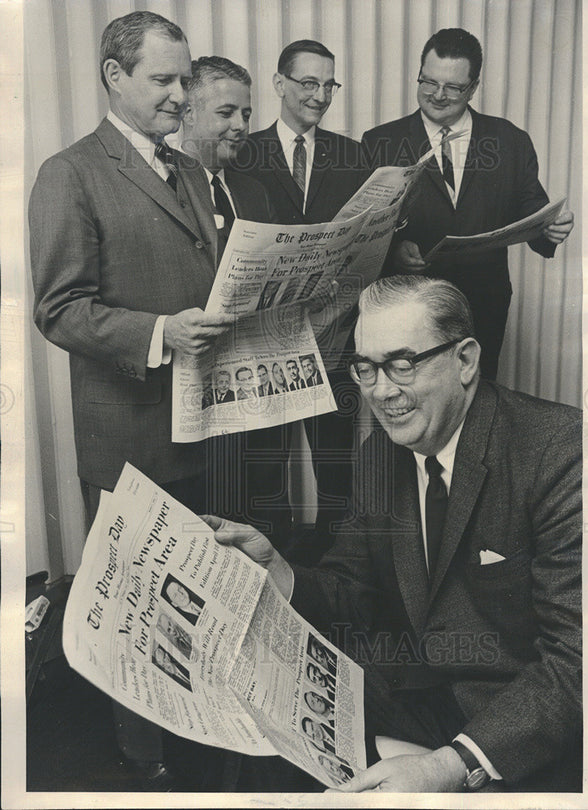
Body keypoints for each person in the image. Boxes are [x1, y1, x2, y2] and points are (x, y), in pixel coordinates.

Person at [204, 274, 582, 792]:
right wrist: (281, 572)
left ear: (465, 360)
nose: (381, 391)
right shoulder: (379, 458)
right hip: (426, 690)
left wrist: (446, 766)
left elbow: (580, 660)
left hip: (525, 727)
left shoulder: (562, 453)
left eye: (403, 364)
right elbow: (353, 590)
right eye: (366, 368)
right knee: (256, 715)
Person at [28, 11, 235, 786]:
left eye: (186, 80)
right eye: (164, 80)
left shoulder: (186, 170)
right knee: (140, 609)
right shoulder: (69, 172)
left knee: (199, 593)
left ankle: (199, 731)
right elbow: (58, 307)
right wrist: (160, 335)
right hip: (131, 436)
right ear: (115, 78)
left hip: (205, 427)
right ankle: (144, 764)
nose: (182, 96)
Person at [361, 28, 574, 380]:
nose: (438, 96)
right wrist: (394, 251)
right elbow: (365, 232)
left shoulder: (510, 141)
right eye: (428, 82)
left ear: (474, 87)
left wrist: (552, 228)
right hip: (411, 306)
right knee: (415, 405)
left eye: (454, 87)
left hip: (483, 305)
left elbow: (533, 214)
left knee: (477, 400)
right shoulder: (380, 142)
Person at [235, 40, 367, 559]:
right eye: (308, 83)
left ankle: (338, 570)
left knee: (336, 459)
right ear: (279, 84)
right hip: (266, 340)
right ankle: (273, 561)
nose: (319, 95)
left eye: (328, 85)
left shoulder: (352, 154)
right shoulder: (245, 151)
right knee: (266, 461)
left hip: (334, 335)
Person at [179, 55, 290, 548]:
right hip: (193, 407)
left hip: (258, 402)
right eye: (227, 113)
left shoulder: (253, 192)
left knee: (266, 520)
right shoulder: (162, 190)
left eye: (246, 114)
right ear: (187, 113)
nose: (242, 126)